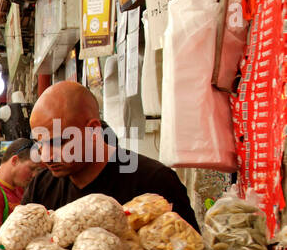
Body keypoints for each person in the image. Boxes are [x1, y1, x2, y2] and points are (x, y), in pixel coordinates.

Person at [25, 81, 199, 227]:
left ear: (93, 130)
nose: (46, 156)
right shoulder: (41, 188)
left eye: (58, 142)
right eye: (39, 144)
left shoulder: (154, 182)